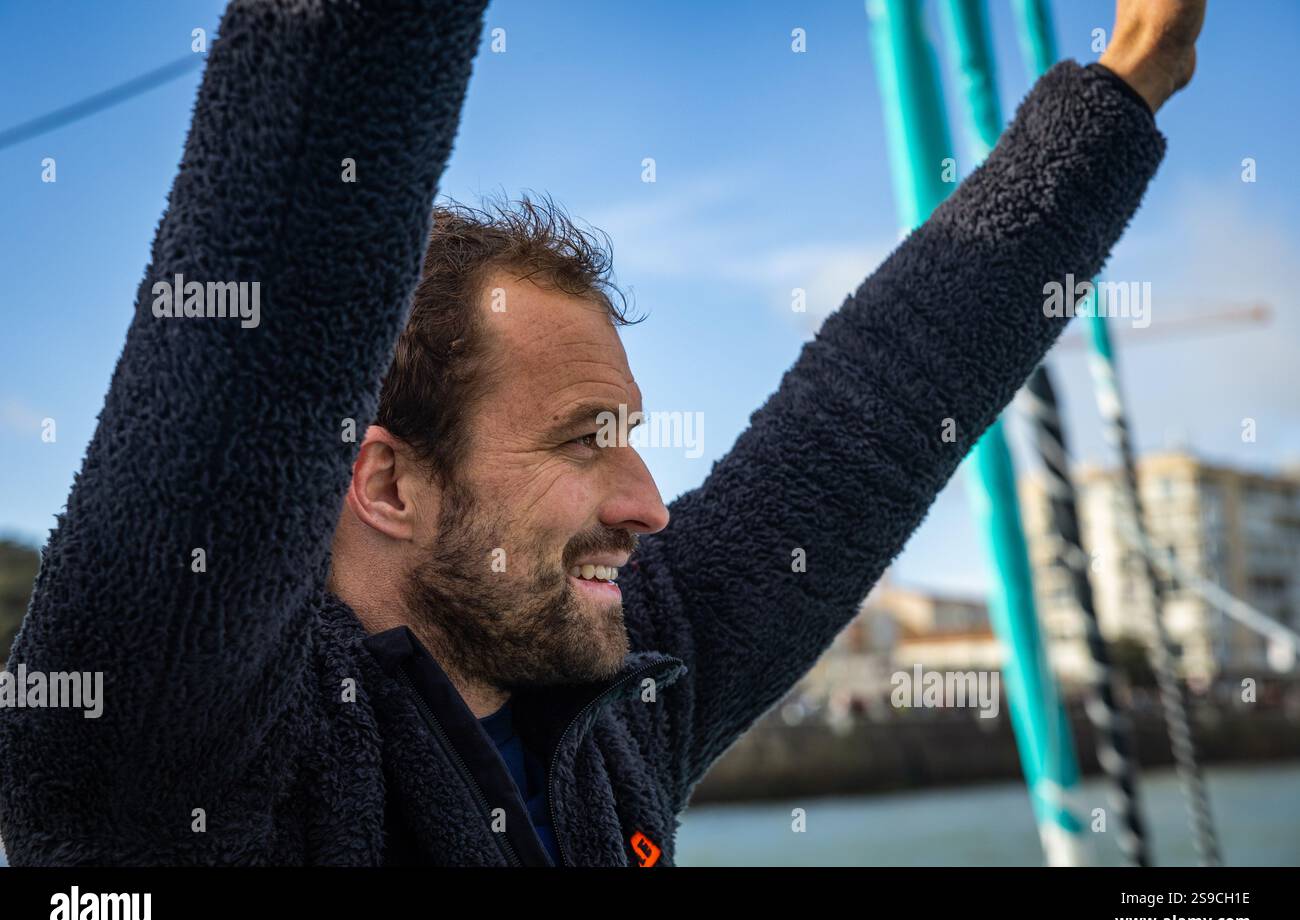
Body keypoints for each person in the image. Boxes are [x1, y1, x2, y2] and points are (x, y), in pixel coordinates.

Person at [0, 0, 1204, 866]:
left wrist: (1123, 88)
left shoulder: (615, 708)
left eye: (627, 430)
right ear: (383, 479)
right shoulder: (162, 736)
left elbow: (873, 409)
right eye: (585, 438)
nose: (649, 501)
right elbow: (299, 206)